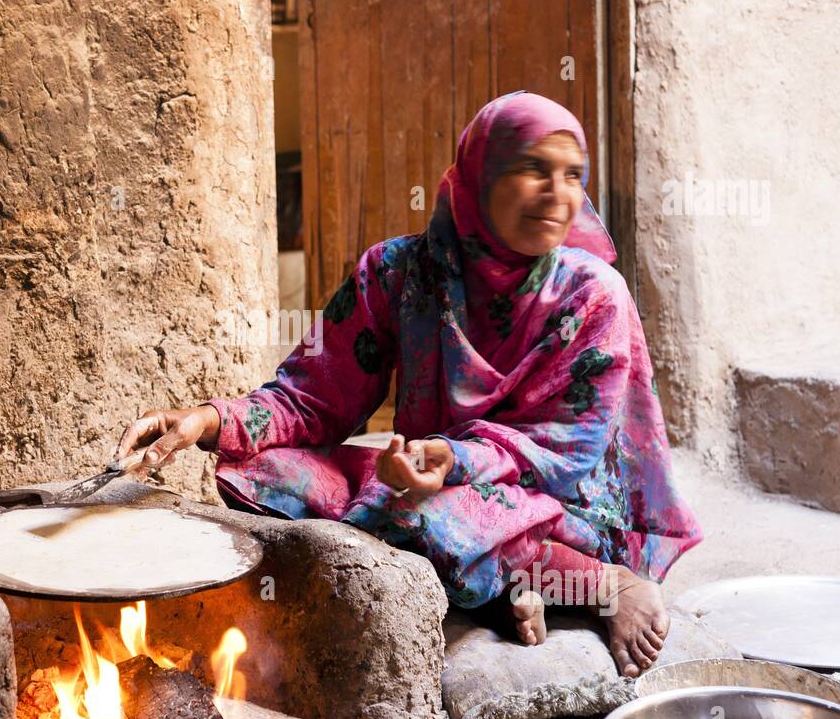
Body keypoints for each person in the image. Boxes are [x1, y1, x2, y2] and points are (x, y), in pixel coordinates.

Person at [116, 91, 702, 678]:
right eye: (532, 168)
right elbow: (313, 397)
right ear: (479, 173)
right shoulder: (397, 272)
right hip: (425, 479)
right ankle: (506, 584)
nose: (558, 194)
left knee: (422, 518)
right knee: (261, 474)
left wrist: (448, 460)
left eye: (573, 175)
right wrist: (206, 420)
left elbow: (564, 454)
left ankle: (601, 583)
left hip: (550, 504)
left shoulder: (594, 294)